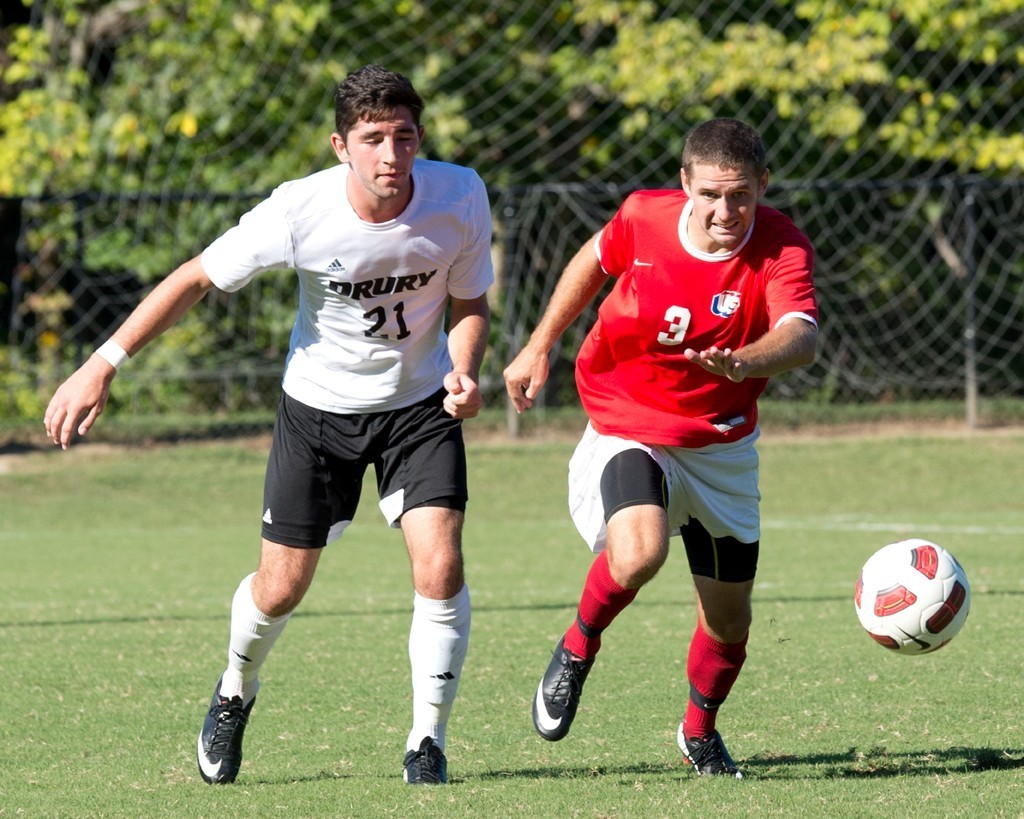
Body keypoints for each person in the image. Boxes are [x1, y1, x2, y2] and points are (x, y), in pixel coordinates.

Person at [43, 65, 493, 787]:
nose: (390, 155)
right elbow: (193, 277)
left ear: (420, 139)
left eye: (404, 138)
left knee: (439, 564)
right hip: (317, 411)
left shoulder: (460, 194)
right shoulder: (298, 211)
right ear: (340, 144)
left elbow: (470, 302)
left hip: (418, 407)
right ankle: (233, 689)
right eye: (373, 139)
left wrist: (464, 370)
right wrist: (103, 362)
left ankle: (427, 741)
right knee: (280, 587)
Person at [503, 118, 817, 778]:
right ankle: (578, 644)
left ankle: (698, 732)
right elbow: (593, 259)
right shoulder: (644, 218)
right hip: (628, 420)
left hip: (720, 445)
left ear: (762, 185)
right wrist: (538, 345)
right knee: (639, 550)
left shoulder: (782, 245)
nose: (724, 211)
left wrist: (744, 360)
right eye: (709, 194)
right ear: (684, 184)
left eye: (740, 195)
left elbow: (801, 334)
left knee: (730, 623)